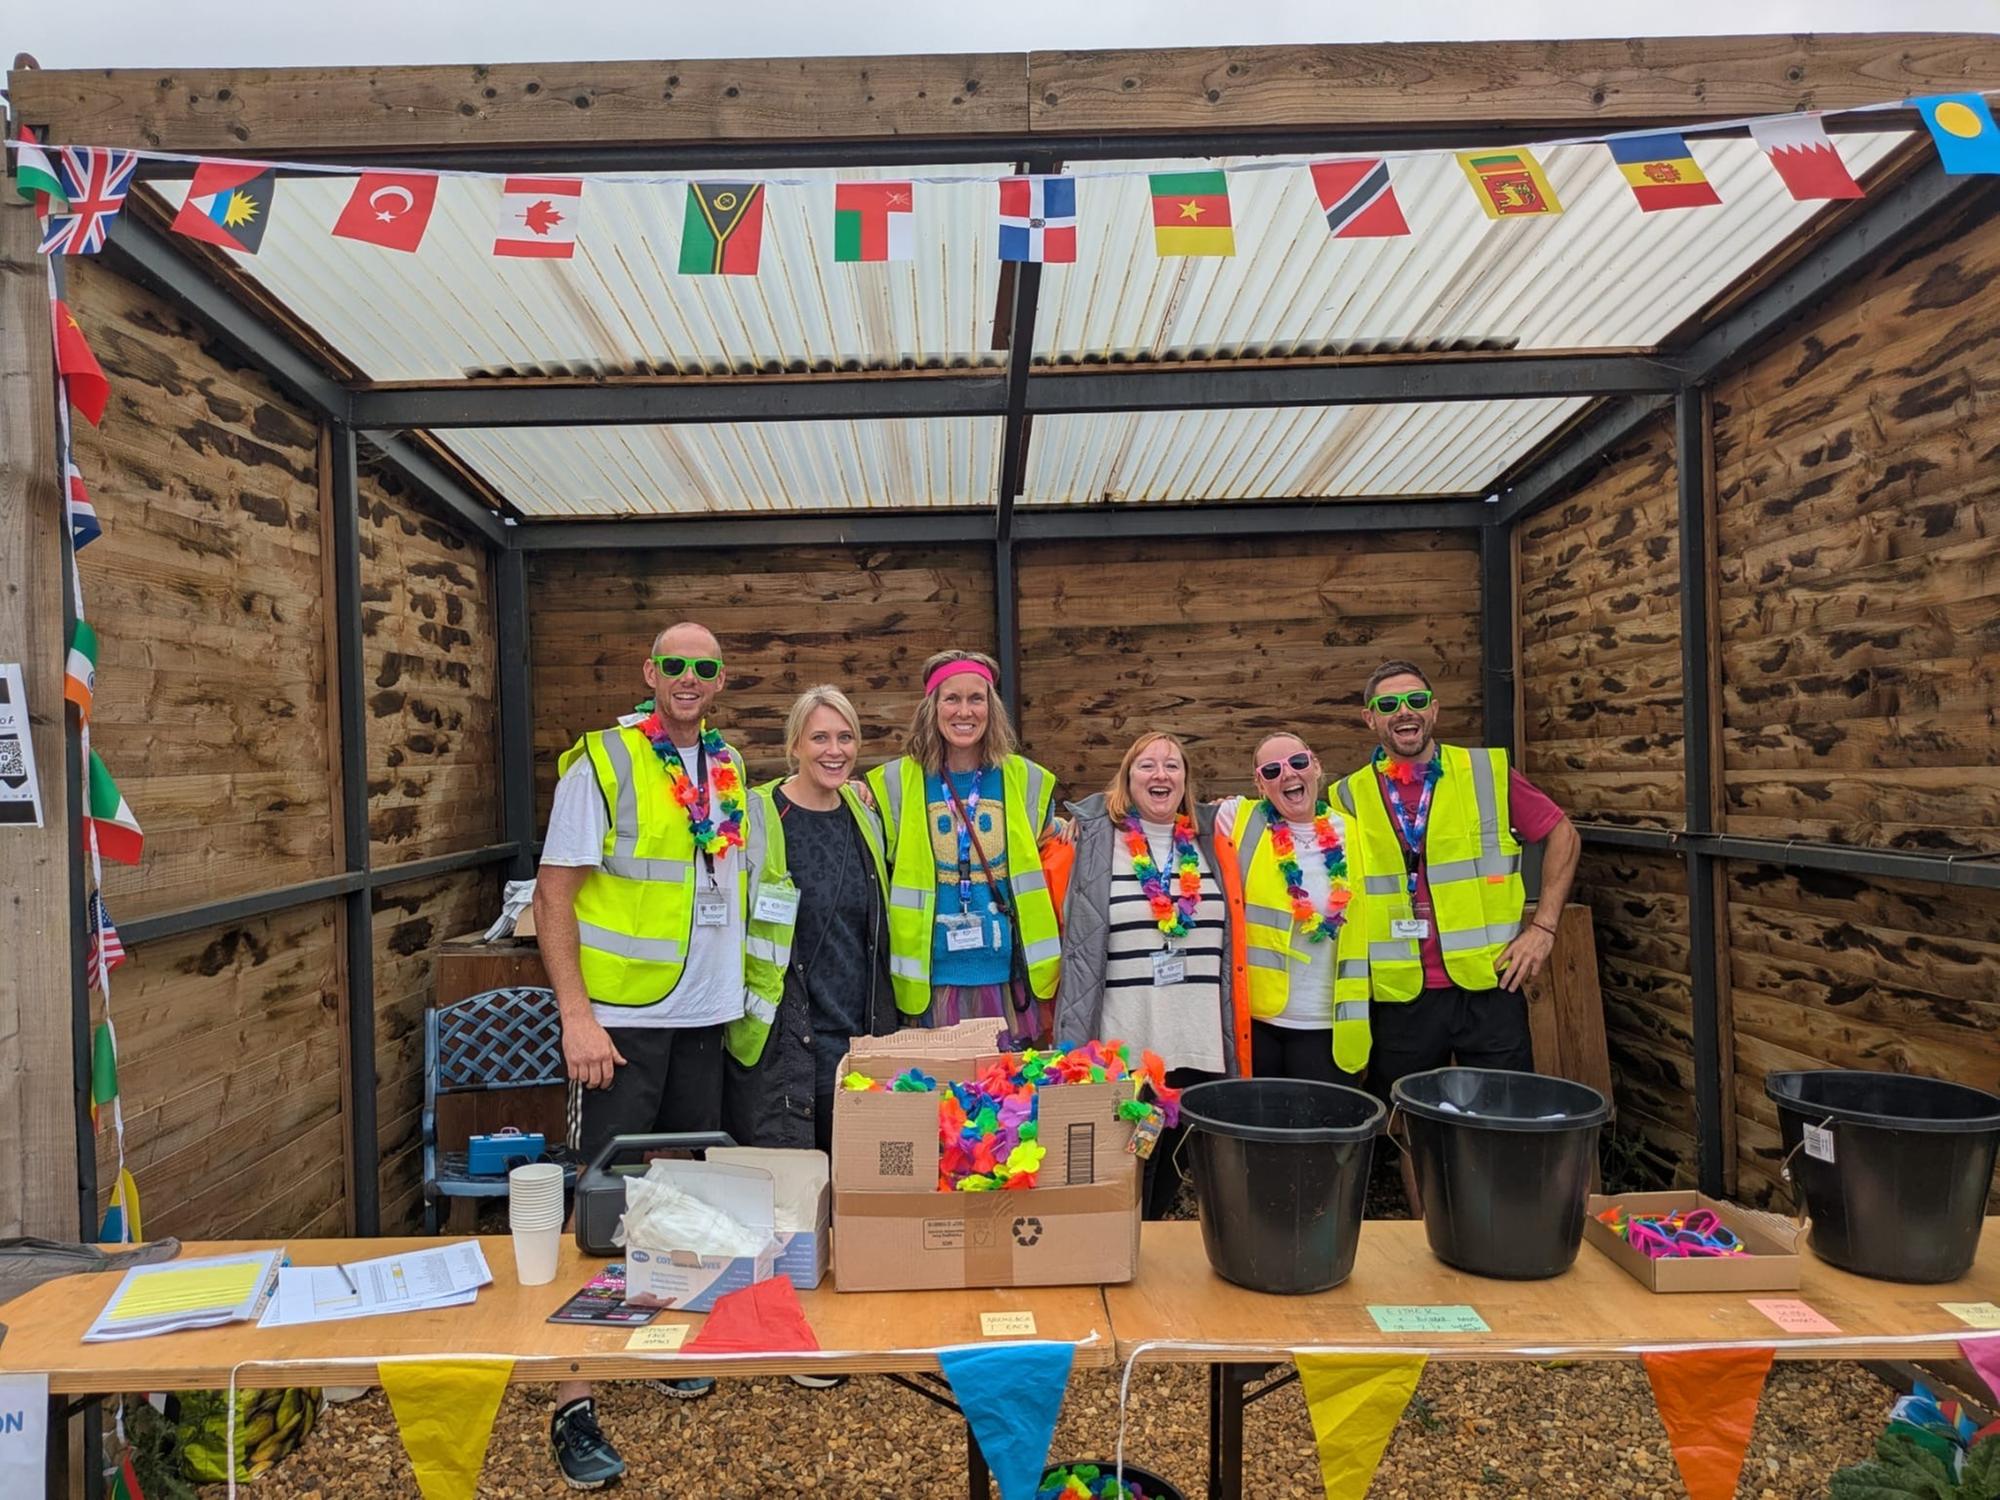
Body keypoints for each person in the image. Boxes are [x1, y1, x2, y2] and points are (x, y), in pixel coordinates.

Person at [532, 621, 752, 1488]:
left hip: (704, 1014)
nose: (688, 677)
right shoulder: (604, 761)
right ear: (649, 672)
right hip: (622, 1019)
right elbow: (554, 894)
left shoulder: (728, 767)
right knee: (600, 1199)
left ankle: (657, 1339)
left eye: (704, 666)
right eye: (674, 664)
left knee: (681, 1189)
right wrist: (576, 1017)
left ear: (721, 679)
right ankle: (572, 1397)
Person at [1333, 657, 1580, 1113]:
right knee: (1403, 1122)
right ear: (1370, 718)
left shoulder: (1484, 772)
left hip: (1489, 985)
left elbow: (1563, 834)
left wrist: (1544, 929)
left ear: (1434, 709)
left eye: (1416, 700)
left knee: (1503, 1116)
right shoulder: (1345, 796)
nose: (1404, 711)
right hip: (1400, 993)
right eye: (1388, 705)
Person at [1048, 730, 1241, 1219]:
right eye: (1147, 765)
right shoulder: (1094, 843)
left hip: (1196, 1044)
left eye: (1172, 765)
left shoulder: (1213, 841)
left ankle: (1147, 1246)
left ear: (1186, 781)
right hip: (1127, 1044)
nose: (1161, 774)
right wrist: (1067, 826)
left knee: (1169, 1172)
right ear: (1127, 779)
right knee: (1127, 1173)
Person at [724, 685, 896, 1156]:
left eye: (845, 737)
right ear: (795, 744)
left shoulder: (866, 815)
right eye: (820, 738)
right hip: (782, 1042)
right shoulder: (756, 814)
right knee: (791, 1183)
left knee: (856, 1178)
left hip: (858, 1039)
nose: (834, 751)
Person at [866, 649, 1062, 1046]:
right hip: (929, 980)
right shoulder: (893, 782)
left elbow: (1053, 843)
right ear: (932, 707)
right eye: (952, 698)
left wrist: (1071, 827)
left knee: (1006, 1084)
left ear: (992, 708)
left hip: (1008, 979)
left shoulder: (1026, 779)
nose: (964, 711)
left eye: (976, 699)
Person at [1212, 731, 1374, 1084]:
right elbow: (1170, 819)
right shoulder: (1236, 818)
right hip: (1257, 1022)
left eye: (1297, 762)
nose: (1287, 774)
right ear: (1260, 784)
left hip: (1328, 1022)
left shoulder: (1353, 831)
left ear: (1315, 766)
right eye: (1272, 770)